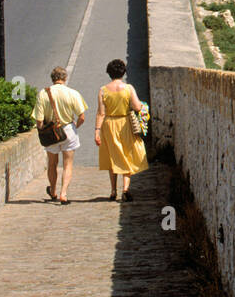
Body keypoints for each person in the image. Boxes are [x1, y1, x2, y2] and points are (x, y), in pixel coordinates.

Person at [31, 67, 87, 205]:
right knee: (67, 164)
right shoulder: (72, 93)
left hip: (51, 132)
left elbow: (38, 120)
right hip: (68, 130)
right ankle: (64, 193)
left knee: (52, 163)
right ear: (65, 78)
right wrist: (74, 126)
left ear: (52, 78)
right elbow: (82, 117)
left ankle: (53, 190)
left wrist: (42, 130)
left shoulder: (43, 94)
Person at [95, 58, 148, 201]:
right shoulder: (129, 88)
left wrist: (97, 131)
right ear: (123, 72)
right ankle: (125, 188)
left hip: (109, 124)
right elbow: (137, 107)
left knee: (113, 156)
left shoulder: (103, 90)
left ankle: (113, 190)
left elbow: (101, 113)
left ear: (109, 73)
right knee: (127, 154)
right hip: (125, 123)